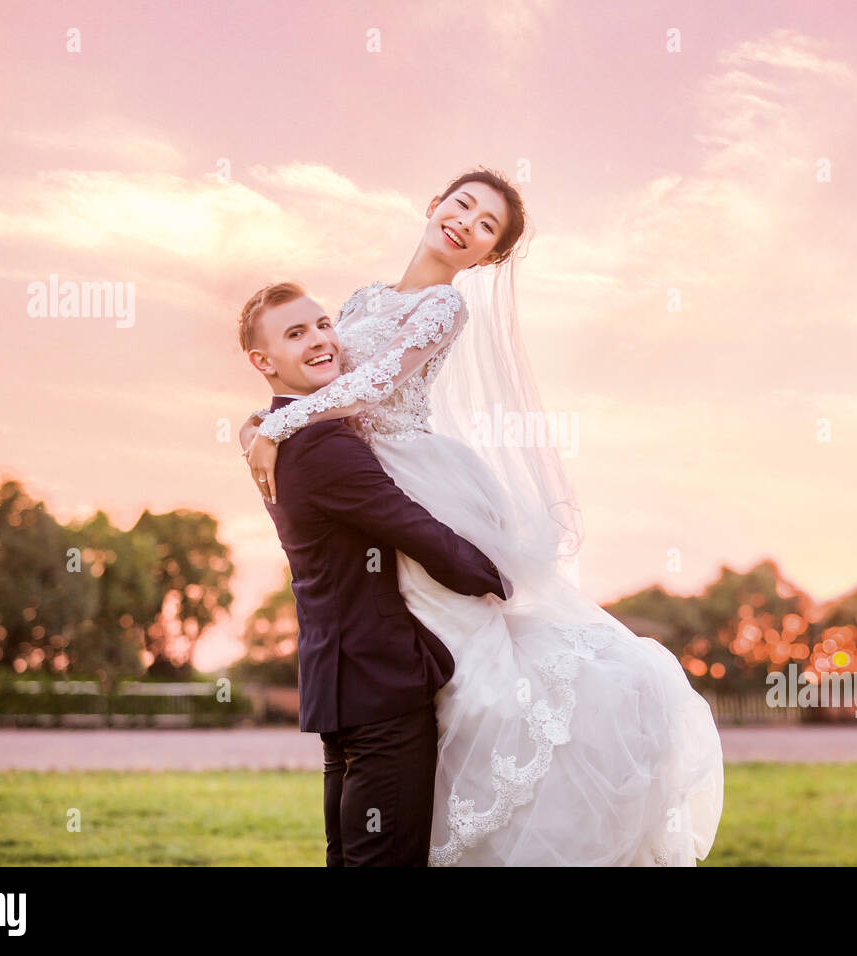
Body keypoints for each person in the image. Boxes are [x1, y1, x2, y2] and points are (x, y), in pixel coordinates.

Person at [241, 168, 724, 865]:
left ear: (487, 256)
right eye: (462, 204)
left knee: (472, 645)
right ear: (432, 203)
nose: (467, 221)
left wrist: (275, 427)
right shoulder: (363, 298)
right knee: (405, 631)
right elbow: (310, 367)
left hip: (404, 466)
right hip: (353, 470)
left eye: (487, 226)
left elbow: (370, 385)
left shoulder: (443, 308)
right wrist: (264, 420)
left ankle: (488, 786)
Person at [239, 281, 509, 866]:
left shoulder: (278, 438)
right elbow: (416, 530)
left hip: (339, 690)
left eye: (321, 324)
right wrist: (501, 578)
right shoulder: (321, 446)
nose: (319, 340)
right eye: (295, 334)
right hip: (381, 690)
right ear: (263, 362)